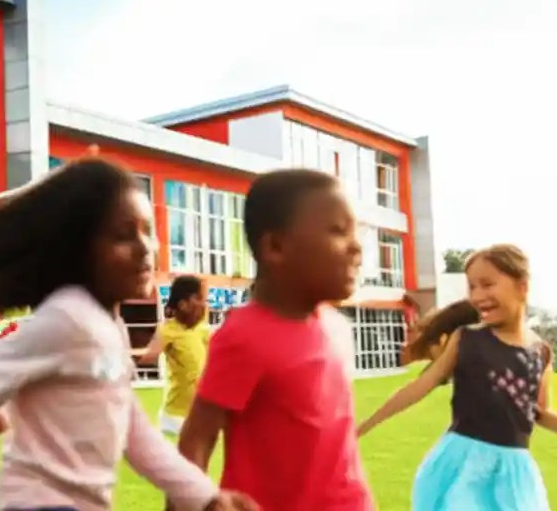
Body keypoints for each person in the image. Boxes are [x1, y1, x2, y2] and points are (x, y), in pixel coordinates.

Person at [0, 158, 258, 511]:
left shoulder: (107, 326)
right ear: (80, 250)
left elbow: (136, 434)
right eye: (124, 235)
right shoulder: (67, 319)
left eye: (148, 231)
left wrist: (205, 497)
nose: (145, 248)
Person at [176, 169, 376, 511]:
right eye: (338, 231)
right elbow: (198, 437)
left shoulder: (337, 327)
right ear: (276, 247)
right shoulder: (243, 336)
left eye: (355, 232)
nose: (356, 246)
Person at [356, 244, 554, 510]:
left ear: (522, 286)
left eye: (487, 284)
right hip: (464, 463)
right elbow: (419, 387)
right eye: (472, 287)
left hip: (513, 475)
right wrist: (363, 426)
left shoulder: (540, 352)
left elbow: (538, 412)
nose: (477, 295)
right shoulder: (467, 339)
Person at [139, 274, 210, 435]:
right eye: (198, 298)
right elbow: (148, 356)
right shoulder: (168, 330)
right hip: (175, 419)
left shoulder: (202, 329)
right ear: (183, 304)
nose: (203, 304)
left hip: (199, 413)